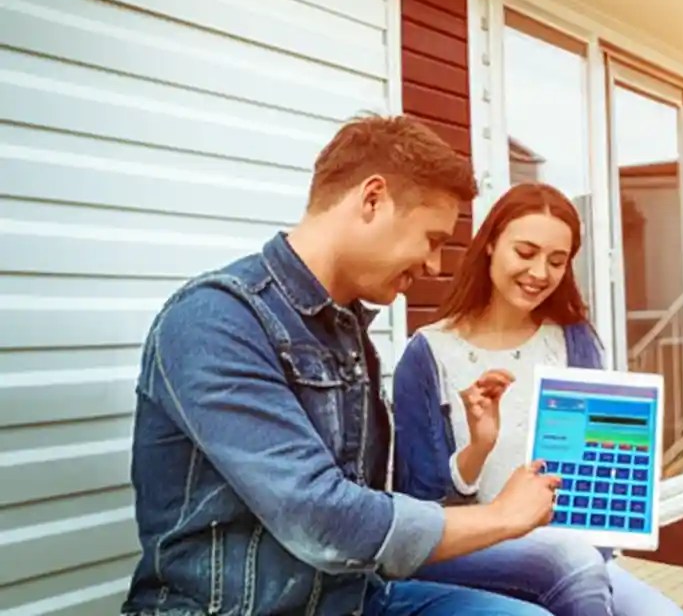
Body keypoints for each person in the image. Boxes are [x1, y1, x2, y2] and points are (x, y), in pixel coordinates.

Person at [123, 115, 569, 615]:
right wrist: (502, 517)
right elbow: (322, 519)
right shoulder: (215, 321)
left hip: (352, 598)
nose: (434, 266)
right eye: (433, 239)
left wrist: (478, 449)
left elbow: (388, 508)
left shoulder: (347, 331)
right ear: (372, 199)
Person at [393, 183, 683, 616]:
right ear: (491, 243)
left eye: (556, 261)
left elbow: (594, 459)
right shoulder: (429, 354)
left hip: (569, 543)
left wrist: (630, 465)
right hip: (471, 547)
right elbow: (423, 507)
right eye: (525, 252)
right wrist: (479, 446)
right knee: (572, 560)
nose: (539, 273)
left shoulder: (573, 339)